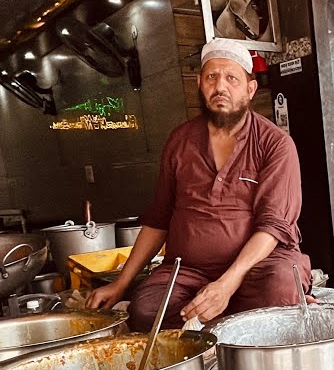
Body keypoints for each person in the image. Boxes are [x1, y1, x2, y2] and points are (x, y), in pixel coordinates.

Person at [86, 39, 309, 329]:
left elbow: (273, 227)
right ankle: (234, 324)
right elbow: (158, 220)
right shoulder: (180, 141)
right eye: (212, 77)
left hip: (258, 267)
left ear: (250, 89)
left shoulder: (275, 144)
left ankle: (223, 323)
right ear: (199, 84)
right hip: (188, 270)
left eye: (232, 78)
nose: (221, 87)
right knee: (145, 309)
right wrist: (120, 284)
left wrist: (226, 285)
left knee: (280, 287)